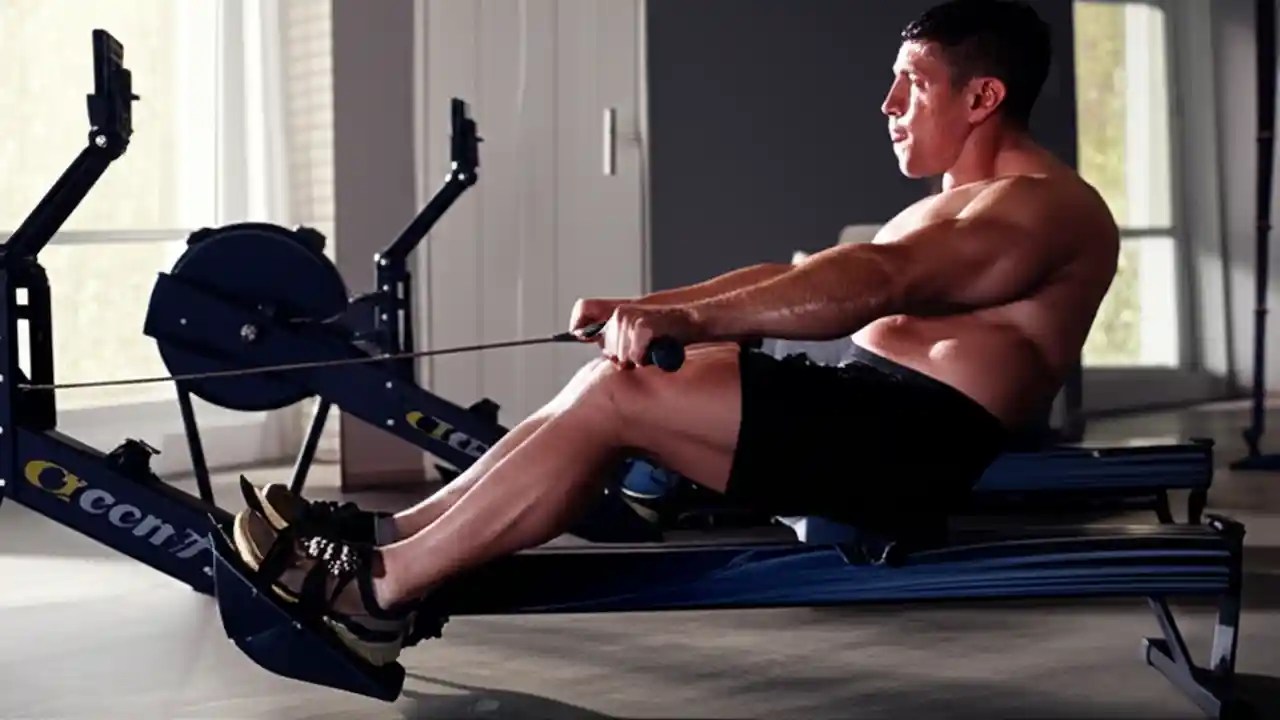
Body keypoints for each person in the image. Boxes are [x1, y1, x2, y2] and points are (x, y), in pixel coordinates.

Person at [229, 0, 1119, 666]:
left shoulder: (1037, 209)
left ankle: (377, 597)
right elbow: (789, 279)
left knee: (624, 391)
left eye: (914, 82)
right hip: (871, 413)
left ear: (985, 95)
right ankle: (395, 541)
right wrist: (648, 307)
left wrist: (683, 321)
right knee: (613, 383)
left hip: (908, 446)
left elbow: (872, 286)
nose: (888, 102)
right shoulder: (965, 202)